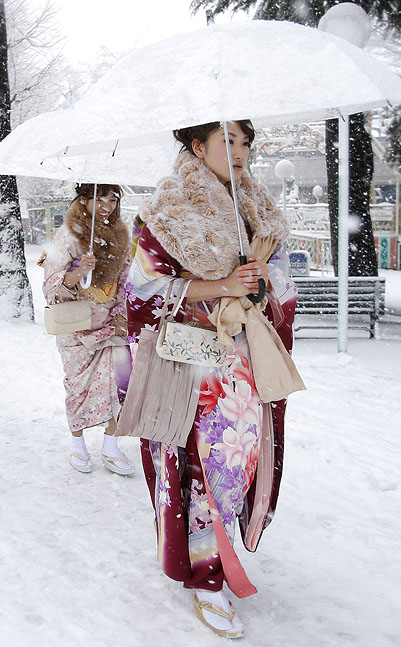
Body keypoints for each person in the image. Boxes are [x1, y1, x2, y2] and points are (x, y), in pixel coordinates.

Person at [126, 120, 297, 638]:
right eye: (229, 141)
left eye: (246, 142)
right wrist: (219, 284)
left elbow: (283, 287)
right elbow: (140, 292)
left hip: (247, 363)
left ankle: (218, 560)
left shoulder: (259, 210)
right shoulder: (167, 211)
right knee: (202, 468)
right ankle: (207, 578)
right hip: (195, 365)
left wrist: (264, 283)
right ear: (197, 147)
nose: (240, 152)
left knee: (241, 464)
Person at [40, 183, 135, 476]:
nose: (108, 205)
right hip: (77, 325)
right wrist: (81, 271)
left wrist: (121, 315)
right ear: (84, 199)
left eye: (113, 199)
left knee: (121, 384)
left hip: (111, 322)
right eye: (101, 198)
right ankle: (77, 443)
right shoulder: (68, 235)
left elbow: (125, 282)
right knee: (77, 386)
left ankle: (111, 444)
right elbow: (50, 285)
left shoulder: (120, 234)